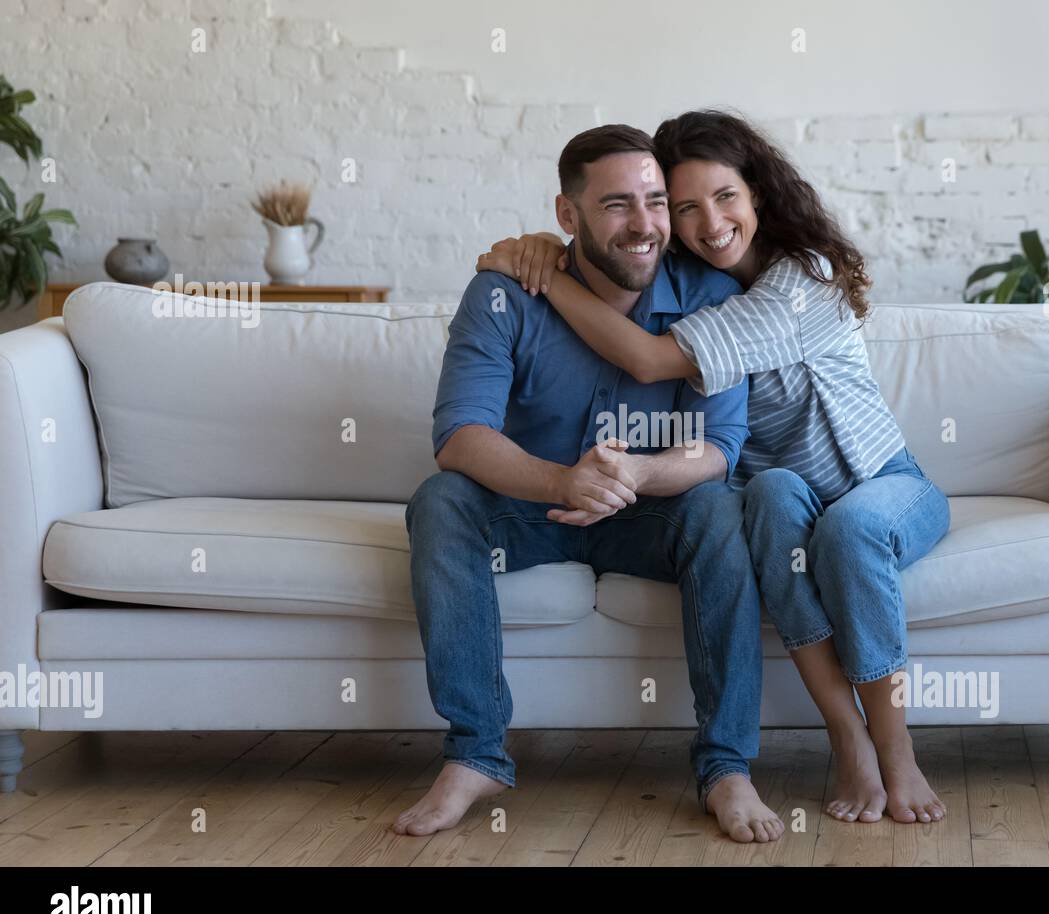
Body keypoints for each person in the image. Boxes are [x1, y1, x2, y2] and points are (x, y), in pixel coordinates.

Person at [475, 110, 951, 825]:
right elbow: (618, 263)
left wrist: (546, 273)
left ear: (757, 192)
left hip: (882, 482)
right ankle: (846, 737)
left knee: (847, 530)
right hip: (784, 493)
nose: (710, 222)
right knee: (767, 502)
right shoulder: (696, 283)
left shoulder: (802, 281)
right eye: (686, 207)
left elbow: (645, 358)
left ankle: (895, 748)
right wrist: (551, 245)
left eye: (725, 196)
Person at [395, 124, 785, 844]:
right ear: (567, 216)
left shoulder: (713, 297)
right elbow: (458, 437)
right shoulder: (503, 294)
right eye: (616, 205)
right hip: (532, 510)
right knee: (441, 502)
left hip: (651, 516)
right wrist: (564, 481)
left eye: (656, 201)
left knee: (719, 511)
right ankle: (476, 752)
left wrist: (637, 473)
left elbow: (719, 448)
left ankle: (727, 766)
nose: (644, 226)